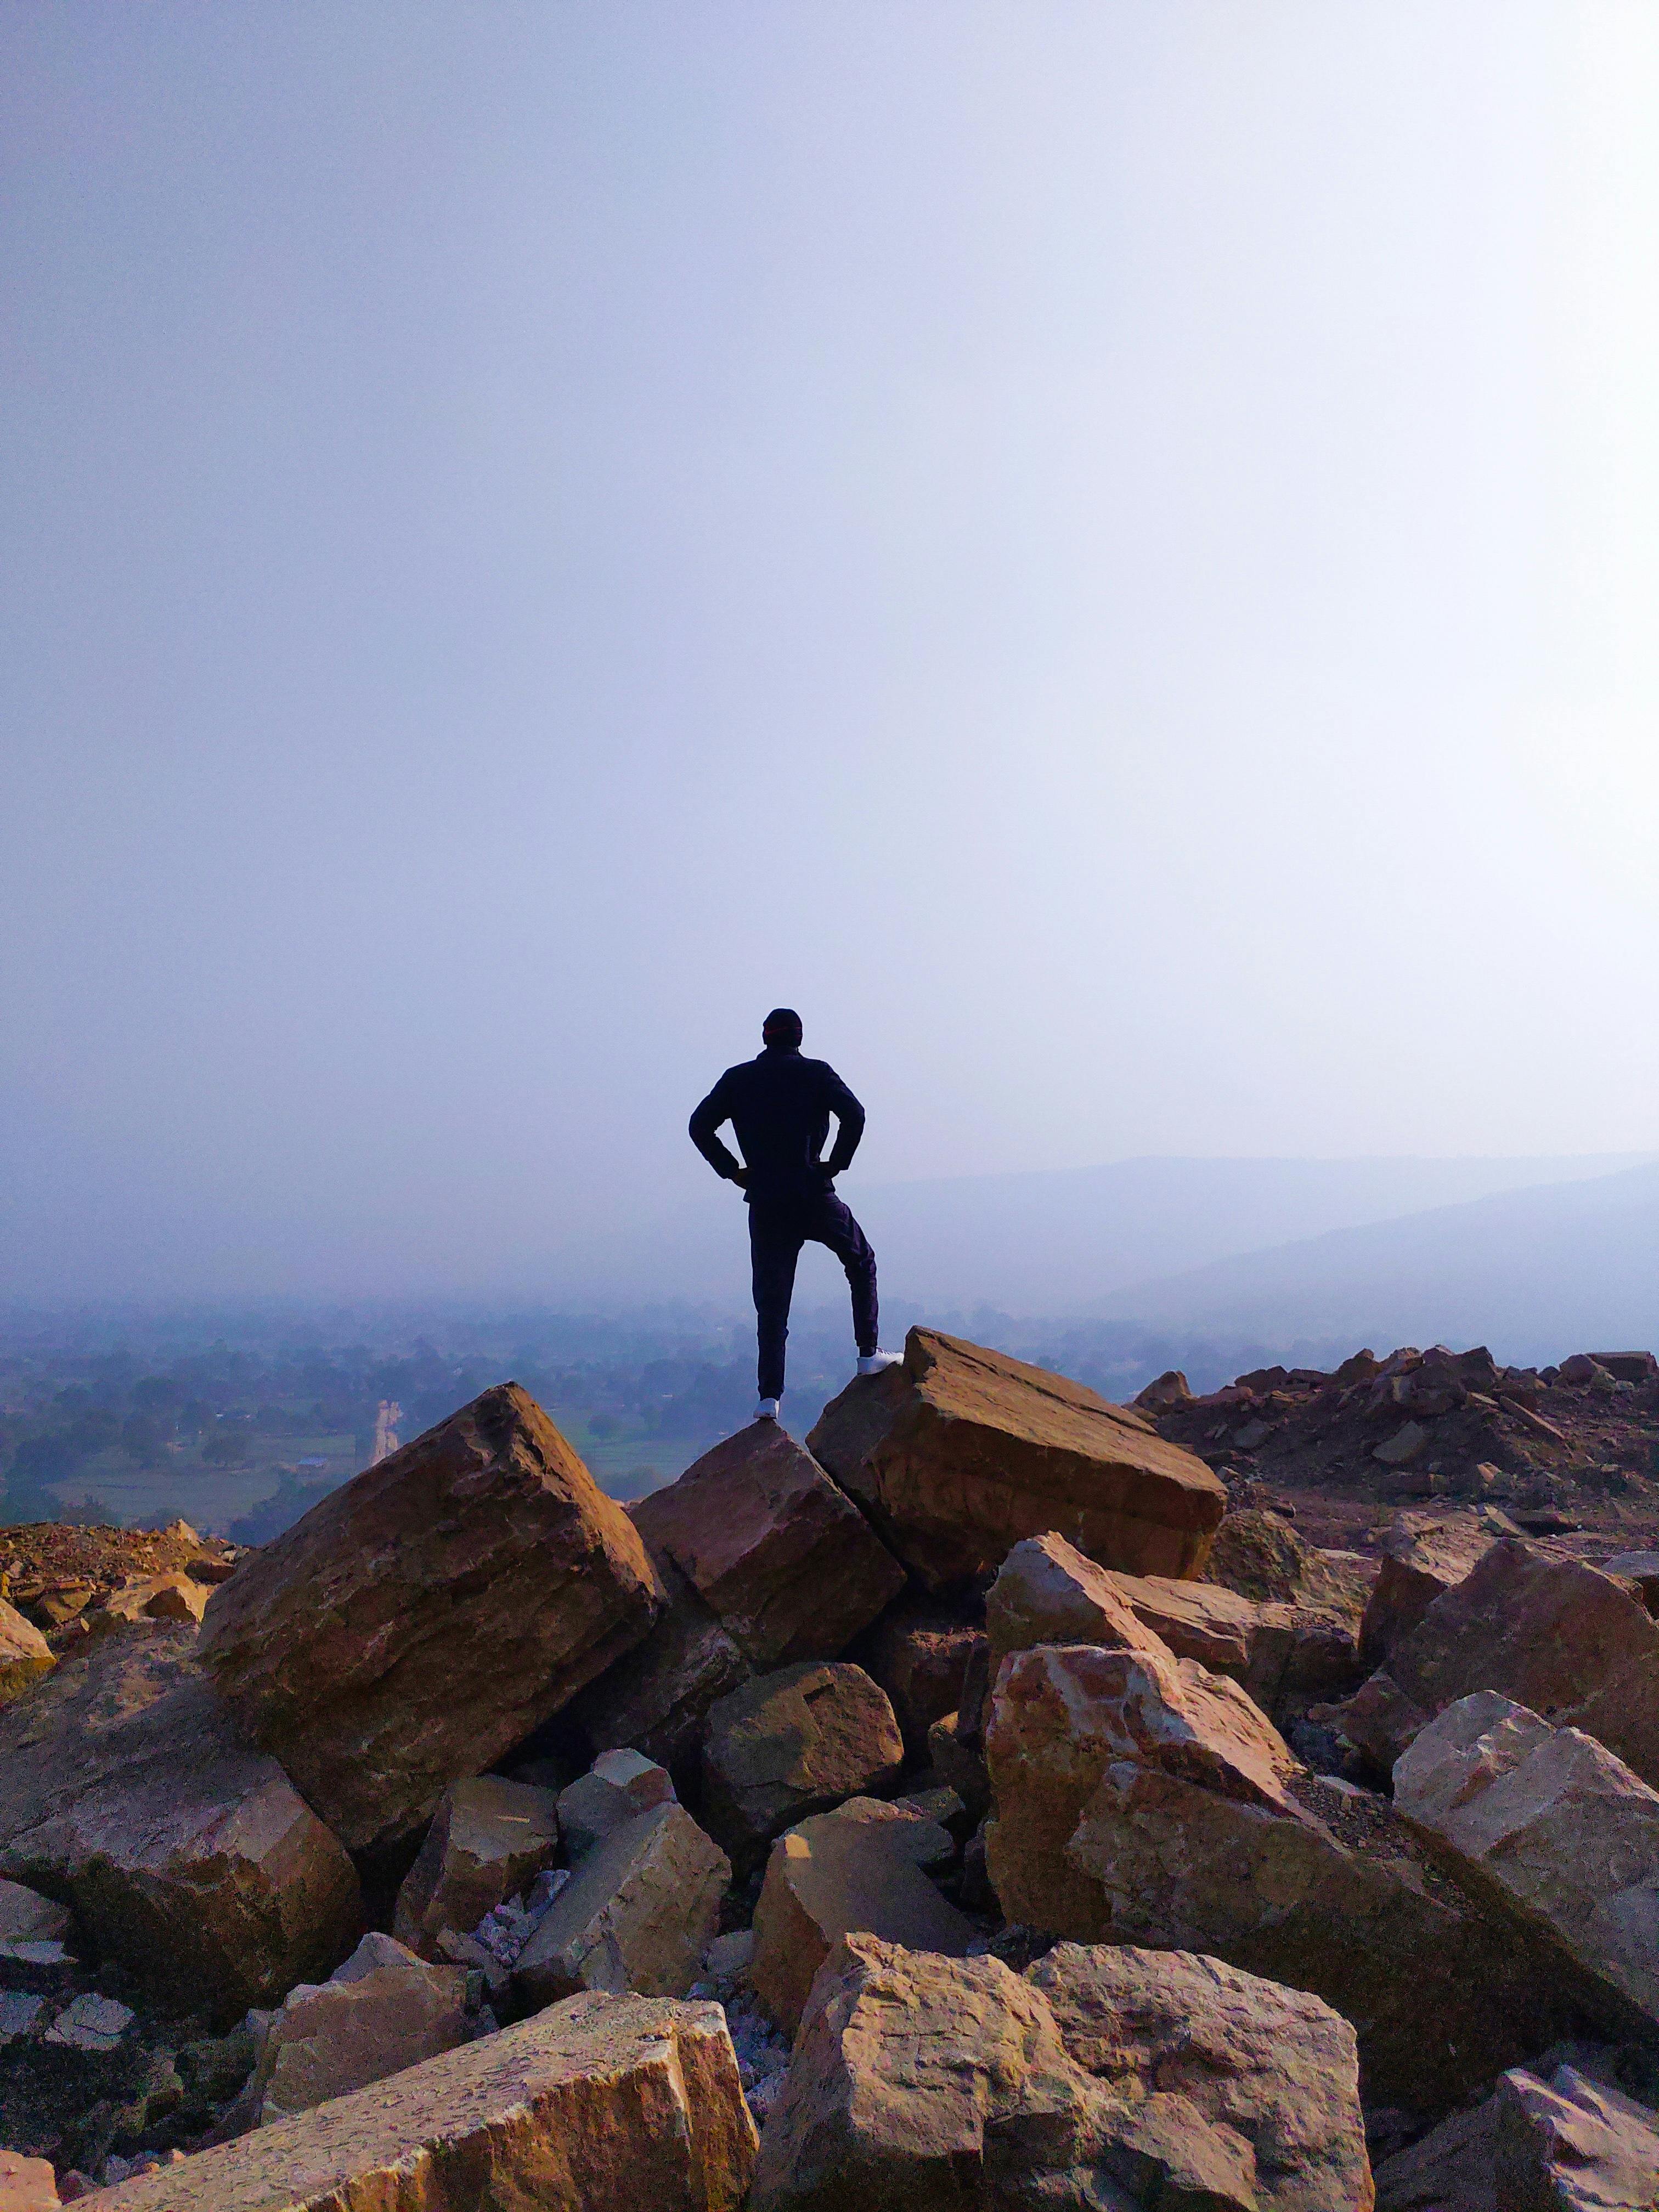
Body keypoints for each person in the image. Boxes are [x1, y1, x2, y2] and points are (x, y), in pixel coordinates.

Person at [690, 1008, 902, 1421]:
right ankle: (867, 1353)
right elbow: (855, 1115)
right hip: (812, 1191)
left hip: (766, 1199)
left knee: (772, 1303)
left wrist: (733, 1170)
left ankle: (769, 1399)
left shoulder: (738, 1079)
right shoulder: (818, 1073)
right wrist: (836, 1163)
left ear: (766, 1038)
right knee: (861, 1260)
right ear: (799, 1038)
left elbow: (700, 1126)